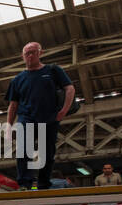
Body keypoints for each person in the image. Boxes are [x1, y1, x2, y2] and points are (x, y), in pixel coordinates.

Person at [5, 41, 74, 191]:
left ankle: (43, 184)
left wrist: (64, 111)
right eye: (27, 53)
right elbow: (13, 105)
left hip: (49, 118)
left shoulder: (53, 70)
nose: (30, 55)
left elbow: (69, 88)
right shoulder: (17, 80)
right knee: (23, 151)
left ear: (40, 53)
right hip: (26, 118)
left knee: (47, 153)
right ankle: (24, 183)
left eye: (33, 52)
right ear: (22, 56)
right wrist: (9, 126)